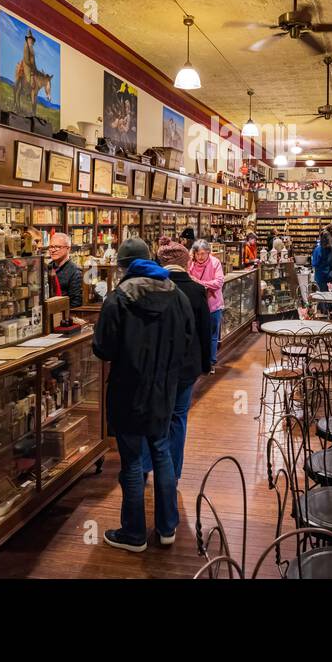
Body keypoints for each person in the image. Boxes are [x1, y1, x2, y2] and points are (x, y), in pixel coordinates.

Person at [93, 237, 194, 552]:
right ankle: (167, 528)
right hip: (163, 389)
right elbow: (187, 341)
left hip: (127, 391)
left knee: (133, 461)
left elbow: (103, 349)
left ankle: (134, 533)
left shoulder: (117, 299)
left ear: (123, 266)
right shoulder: (176, 295)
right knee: (162, 453)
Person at [140, 239, 212, 481]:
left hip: (157, 366)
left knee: (154, 414)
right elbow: (205, 330)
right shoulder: (196, 290)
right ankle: (172, 472)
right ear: (186, 261)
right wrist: (205, 363)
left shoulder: (150, 288)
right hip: (186, 366)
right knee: (178, 416)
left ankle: (146, 465)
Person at [189, 239, 225, 372]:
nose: (200, 257)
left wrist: (199, 282)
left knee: (212, 334)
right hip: (196, 304)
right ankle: (198, 361)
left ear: (208, 253)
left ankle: (210, 362)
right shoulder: (190, 264)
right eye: (197, 254)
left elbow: (219, 282)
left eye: (203, 254)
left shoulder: (215, 263)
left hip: (213, 304)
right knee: (197, 333)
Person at [46, 232, 83, 307]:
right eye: (51, 247)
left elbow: (75, 303)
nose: (53, 250)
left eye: (57, 247)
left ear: (68, 248)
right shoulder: (47, 268)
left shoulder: (75, 272)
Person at [311, 225, 332, 292]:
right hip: (330, 275)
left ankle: (322, 303)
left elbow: (315, 263)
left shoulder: (318, 249)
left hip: (320, 275)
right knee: (330, 293)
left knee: (321, 294)